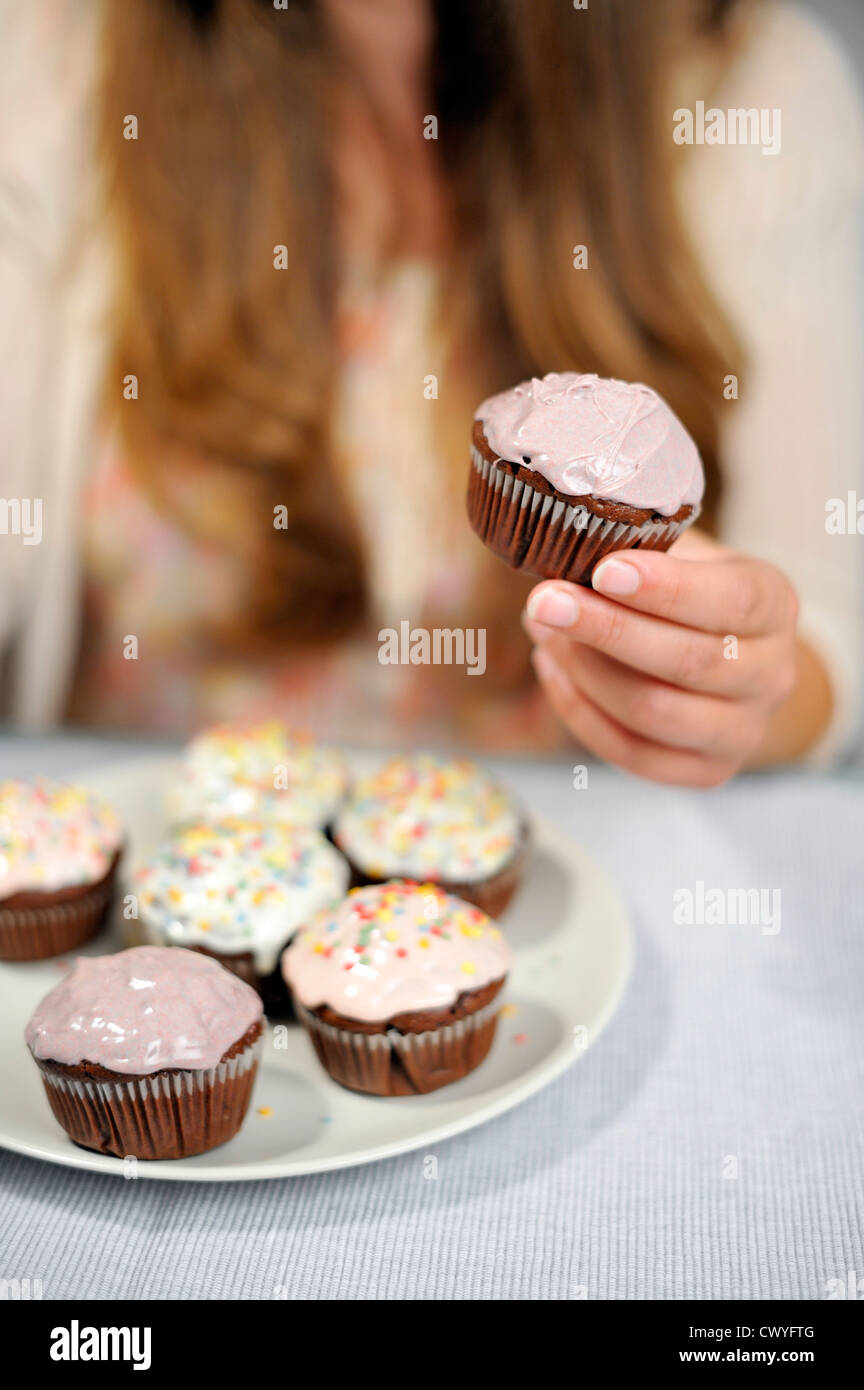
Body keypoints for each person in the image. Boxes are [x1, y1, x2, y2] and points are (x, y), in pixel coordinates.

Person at [1, 0, 861, 786]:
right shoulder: (53, 56)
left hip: (578, 901)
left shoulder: (754, 87)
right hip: (164, 879)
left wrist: (739, 688)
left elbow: (825, 628)